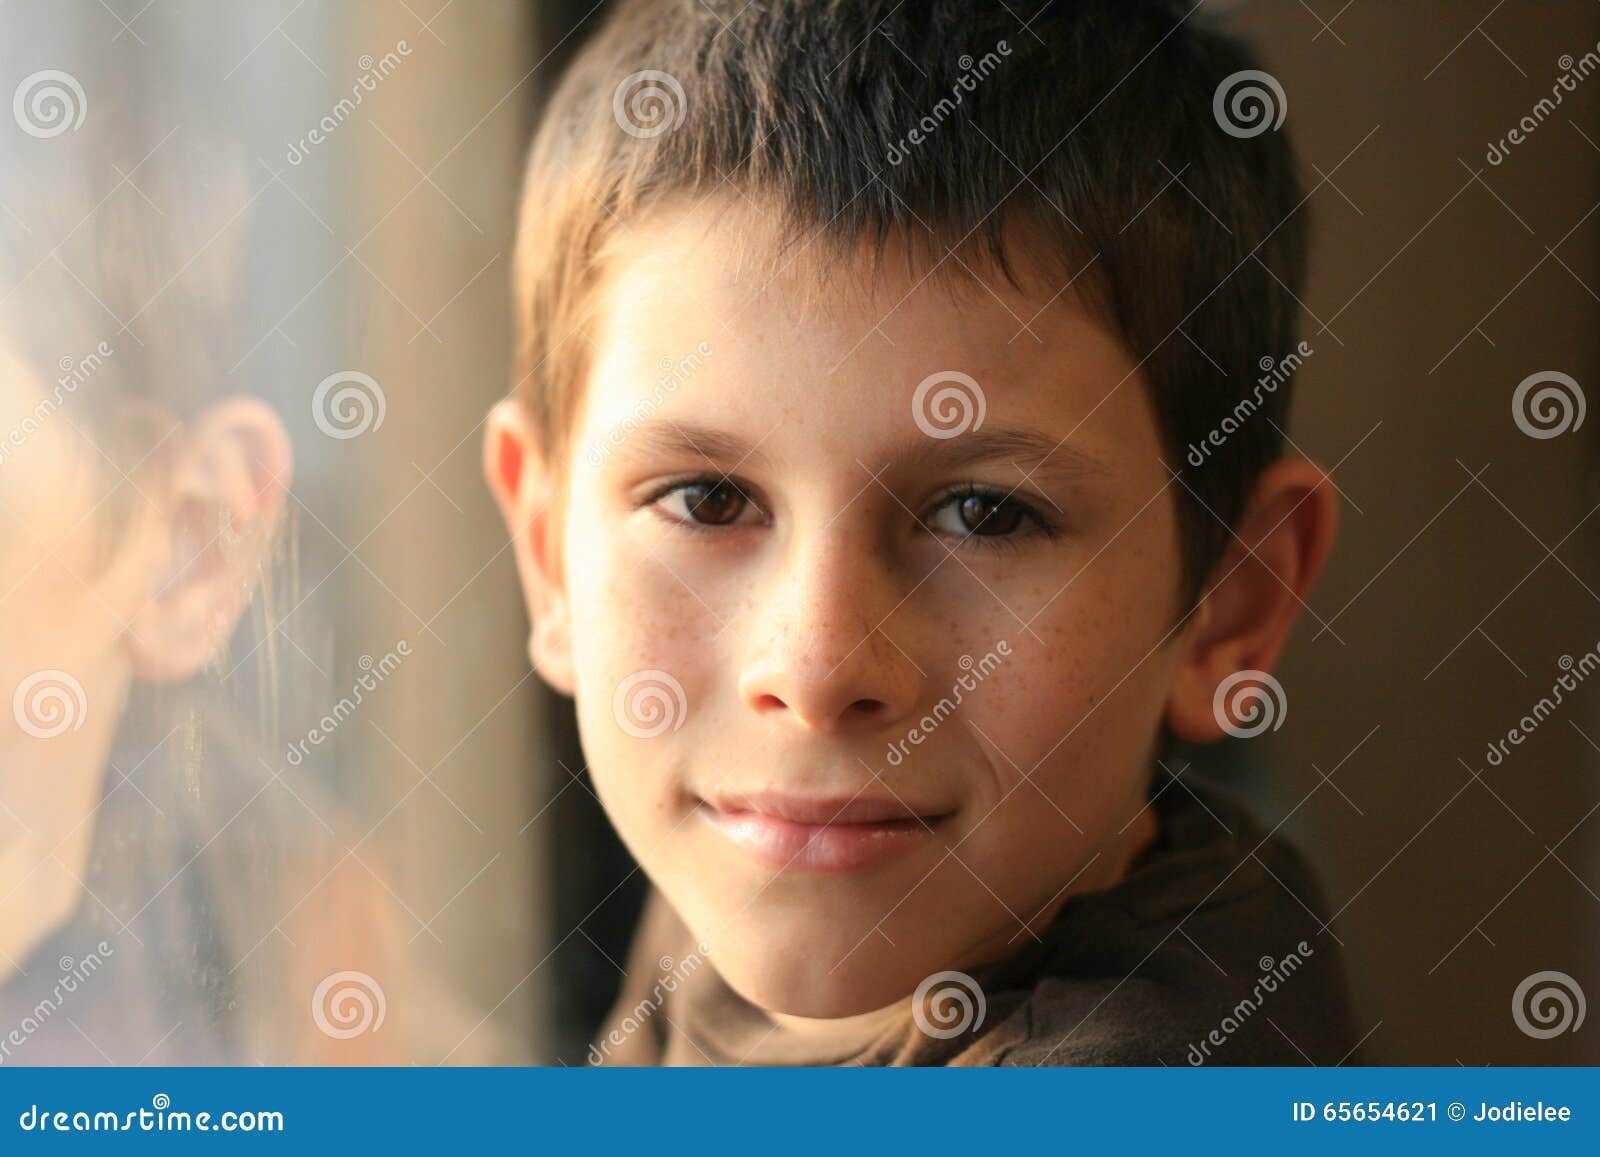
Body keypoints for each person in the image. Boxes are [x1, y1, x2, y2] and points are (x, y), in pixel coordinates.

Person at [483, 0, 1358, 1065]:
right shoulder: (753, 867)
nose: (813, 671)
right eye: (707, 499)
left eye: (983, 513)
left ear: (1232, 593)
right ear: (546, 548)